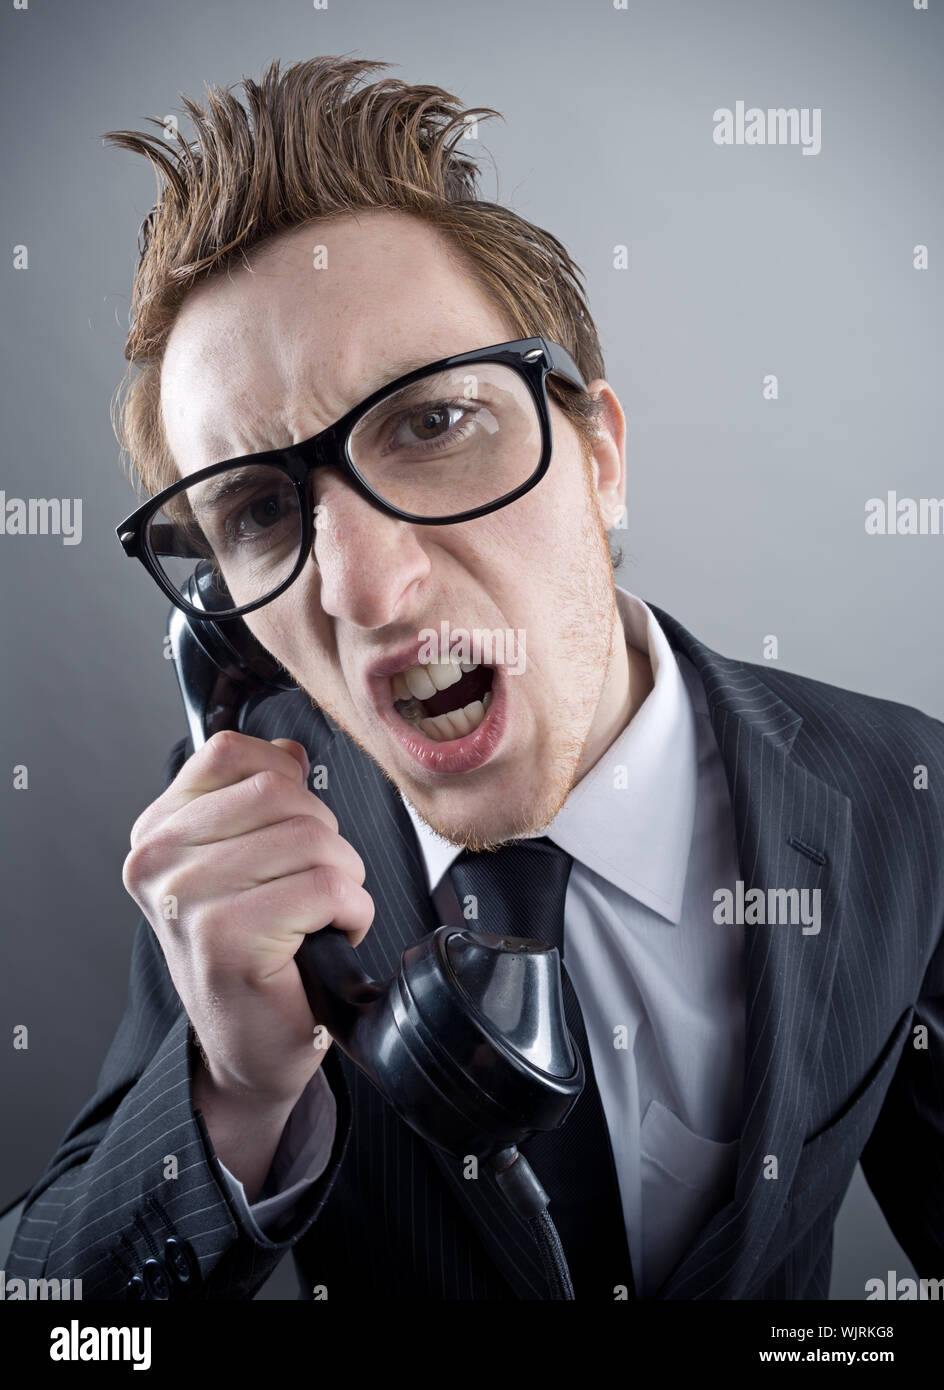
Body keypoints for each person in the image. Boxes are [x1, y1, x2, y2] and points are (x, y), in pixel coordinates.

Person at [7, 55, 943, 1302]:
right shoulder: (236, 840)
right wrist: (236, 1092)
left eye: (431, 424)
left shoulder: (896, 790)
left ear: (597, 454)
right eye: (256, 512)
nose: (363, 591)